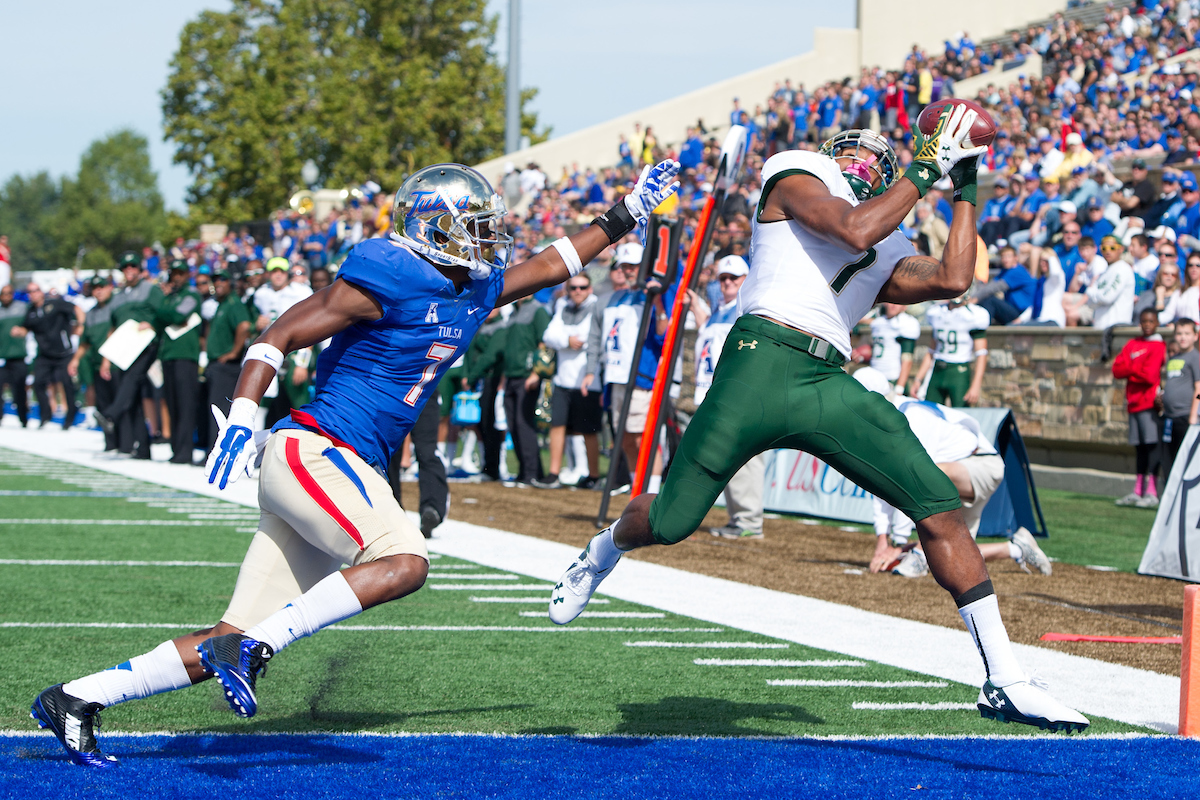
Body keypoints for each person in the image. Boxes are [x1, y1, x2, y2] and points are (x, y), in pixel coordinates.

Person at [30, 159, 681, 767]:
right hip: (315, 448)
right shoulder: (390, 274)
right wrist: (248, 408)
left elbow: (549, 263)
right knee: (404, 561)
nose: (488, 239)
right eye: (474, 227)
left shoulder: (474, 287)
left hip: (340, 465)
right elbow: (279, 332)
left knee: (230, 631)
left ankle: (77, 699)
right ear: (433, 230)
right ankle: (256, 649)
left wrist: (625, 214)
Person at [548, 110, 1088, 734]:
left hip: (828, 378)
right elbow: (854, 229)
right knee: (671, 520)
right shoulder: (794, 175)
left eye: (876, 164)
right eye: (854, 157)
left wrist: (963, 180)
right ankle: (602, 550)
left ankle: (1006, 678)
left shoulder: (892, 238)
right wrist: (923, 169)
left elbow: (954, 277)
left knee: (938, 506)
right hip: (759, 362)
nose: (862, 167)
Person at [852, 368, 1052, 578]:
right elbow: (884, 484)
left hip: (980, 465)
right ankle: (1017, 548)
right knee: (953, 554)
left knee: (919, 474)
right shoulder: (892, 418)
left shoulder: (911, 416)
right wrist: (882, 542)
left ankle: (919, 555)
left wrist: (898, 542)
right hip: (957, 472)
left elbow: (913, 478)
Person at [691, 255, 767, 540]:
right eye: (723, 278)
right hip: (712, 392)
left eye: (733, 278)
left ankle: (748, 520)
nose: (727, 283)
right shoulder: (720, 309)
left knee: (742, 458)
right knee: (725, 457)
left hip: (734, 393)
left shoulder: (746, 307)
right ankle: (739, 518)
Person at [585, 242, 671, 493]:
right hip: (615, 376)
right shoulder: (613, 298)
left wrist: (657, 303)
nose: (629, 271)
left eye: (634, 266)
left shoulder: (651, 295)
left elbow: (662, 336)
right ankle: (637, 489)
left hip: (641, 377)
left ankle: (650, 492)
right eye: (625, 266)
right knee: (623, 437)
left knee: (643, 437)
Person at [537, 272, 602, 490]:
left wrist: (565, 339)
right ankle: (553, 472)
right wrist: (566, 340)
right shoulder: (562, 306)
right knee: (557, 425)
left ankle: (593, 474)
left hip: (587, 379)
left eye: (582, 287)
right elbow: (549, 336)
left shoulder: (595, 306)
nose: (577, 291)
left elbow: (587, 338)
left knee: (588, 430)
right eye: (573, 287)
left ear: (589, 289)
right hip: (563, 378)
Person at [96, 253, 164, 456]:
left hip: (147, 346)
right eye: (125, 267)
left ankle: (110, 414)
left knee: (131, 383)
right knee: (133, 396)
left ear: (140, 269)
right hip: (125, 351)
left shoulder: (150, 290)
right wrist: (106, 360)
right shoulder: (118, 297)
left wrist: (152, 323)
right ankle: (142, 447)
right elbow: (113, 328)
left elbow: (163, 313)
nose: (129, 270)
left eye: (133, 266)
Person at [1112, 308, 1167, 509]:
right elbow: (1117, 369)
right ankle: (1138, 490)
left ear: (1157, 323)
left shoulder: (1158, 346)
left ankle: (1152, 491)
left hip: (1149, 404)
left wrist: (1131, 367)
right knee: (1139, 447)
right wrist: (1137, 368)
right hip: (1133, 403)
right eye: (1143, 321)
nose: (1146, 324)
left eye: (1151, 321)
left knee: (1152, 446)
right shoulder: (1132, 344)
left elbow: (1151, 376)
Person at [156, 262, 203, 465]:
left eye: (180, 273)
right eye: (173, 274)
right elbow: (161, 313)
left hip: (186, 355)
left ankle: (185, 451)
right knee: (172, 403)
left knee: (185, 404)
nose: (176, 278)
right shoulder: (169, 298)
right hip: (168, 355)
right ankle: (176, 449)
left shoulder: (191, 295)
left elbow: (178, 314)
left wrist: (167, 313)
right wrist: (167, 312)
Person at [21, 282, 83, 429]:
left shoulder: (55, 304)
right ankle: (46, 415)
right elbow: (26, 328)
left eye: (35, 290)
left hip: (63, 352)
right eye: (30, 292)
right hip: (44, 354)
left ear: (41, 292)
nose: (33, 294)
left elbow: (76, 309)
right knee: (38, 383)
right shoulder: (31, 311)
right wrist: (19, 331)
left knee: (67, 384)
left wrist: (80, 324)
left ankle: (70, 417)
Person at [203, 270, 252, 449]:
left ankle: (217, 451)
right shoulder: (222, 304)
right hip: (217, 364)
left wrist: (234, 352)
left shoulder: (233, 303)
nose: (218, 283)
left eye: (223, 279)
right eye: (215, 280)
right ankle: (212, 449)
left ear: (230, 282)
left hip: (227, 366)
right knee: (214, 409)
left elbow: (244, 326)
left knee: (219, 411)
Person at [913, 293, 990, 406]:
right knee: (929, 413)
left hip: (958, 372)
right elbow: (931, 351)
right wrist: (918, 379)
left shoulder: (974, 315)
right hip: (937, 371)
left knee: (961, 415)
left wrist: (976, 385)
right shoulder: (936, 312)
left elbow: (981, 354)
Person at [68, 277, 116, 448]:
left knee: (118, 403)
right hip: (97, 363)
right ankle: (110, 443)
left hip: (116, 363)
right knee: (103, 404)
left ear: (109, 287)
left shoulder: (115, 307)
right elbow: (85, 341)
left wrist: (107, 360)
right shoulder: (91, 313)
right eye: (94, 288)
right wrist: (75, 360)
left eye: (101, 287)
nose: (98, 291)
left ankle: (126, 443)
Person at [1161, 318, 1200, 480]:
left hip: (1185, 417)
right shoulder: (1174, 358)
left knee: (1184, 459)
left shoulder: (1195, 358)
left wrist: (1193, 416)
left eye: (1187, 333)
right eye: (1179, 333)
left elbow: (1199, 388)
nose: (1183, 337)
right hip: (1170, 417)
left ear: (1195, 336)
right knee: (1168, 459)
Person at [969, 245, 1036, 325]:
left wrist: (974, 299)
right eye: (1003, 257)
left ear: (1015, 258)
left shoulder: (1017, 271)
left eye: (1008, 256)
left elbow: (993, 288)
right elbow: (989, 286)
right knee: (985, 299)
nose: (1005, 260)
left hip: (1022, 314)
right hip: (1013, 309)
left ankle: (983, 328)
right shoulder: (1005, 271)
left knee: (990, 300)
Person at [868, 301, 920, 393]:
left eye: (898, 302)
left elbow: (907, 359)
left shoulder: (905, 322)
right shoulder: (878, 322)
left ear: (904, 306)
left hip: (893, 379)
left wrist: (900, 387)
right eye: (891, 301)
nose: (893, 305)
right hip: (874, 377)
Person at [0, 283, 29, 426]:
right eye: (3, 293)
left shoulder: (22, 308)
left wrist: (25, 330)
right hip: (2, 357)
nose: (6, 296)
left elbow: (33, 323)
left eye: (9, 293)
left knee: (19, 389)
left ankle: (23, 418)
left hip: (18, 356)